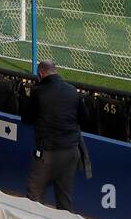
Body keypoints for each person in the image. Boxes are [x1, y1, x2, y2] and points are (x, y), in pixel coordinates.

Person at [22, 61, 90, 211]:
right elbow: (85, 119)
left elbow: (26, 119)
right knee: (64, 200)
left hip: (48, 154)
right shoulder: (72, 90)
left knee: (33, 197)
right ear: (56, 72)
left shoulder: (38, 92)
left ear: (40, 75)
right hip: (72, 152)